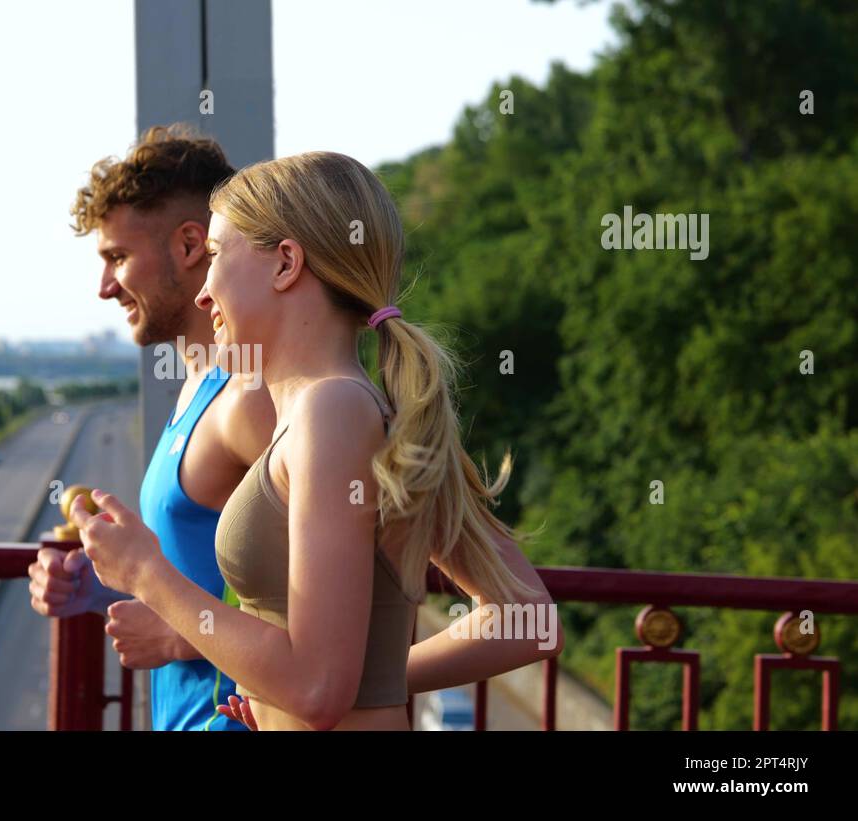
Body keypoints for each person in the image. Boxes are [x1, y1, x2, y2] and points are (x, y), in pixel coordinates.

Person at [73, 151, 563, 730]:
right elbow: (529, 619)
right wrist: (365, 683)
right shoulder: (346, 408)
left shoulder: (332, 411)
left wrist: (145, 574)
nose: (204, 295)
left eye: (214, 258)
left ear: (285, 264)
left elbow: (316, 687)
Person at [26, 125, 275, 731]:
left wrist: (181, 637)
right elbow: (201, 586)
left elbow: (338, 601)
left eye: (117, 257)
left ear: (191, 245)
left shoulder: (251, 398)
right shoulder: (197, 387)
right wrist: (98, 590)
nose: (105, 287)